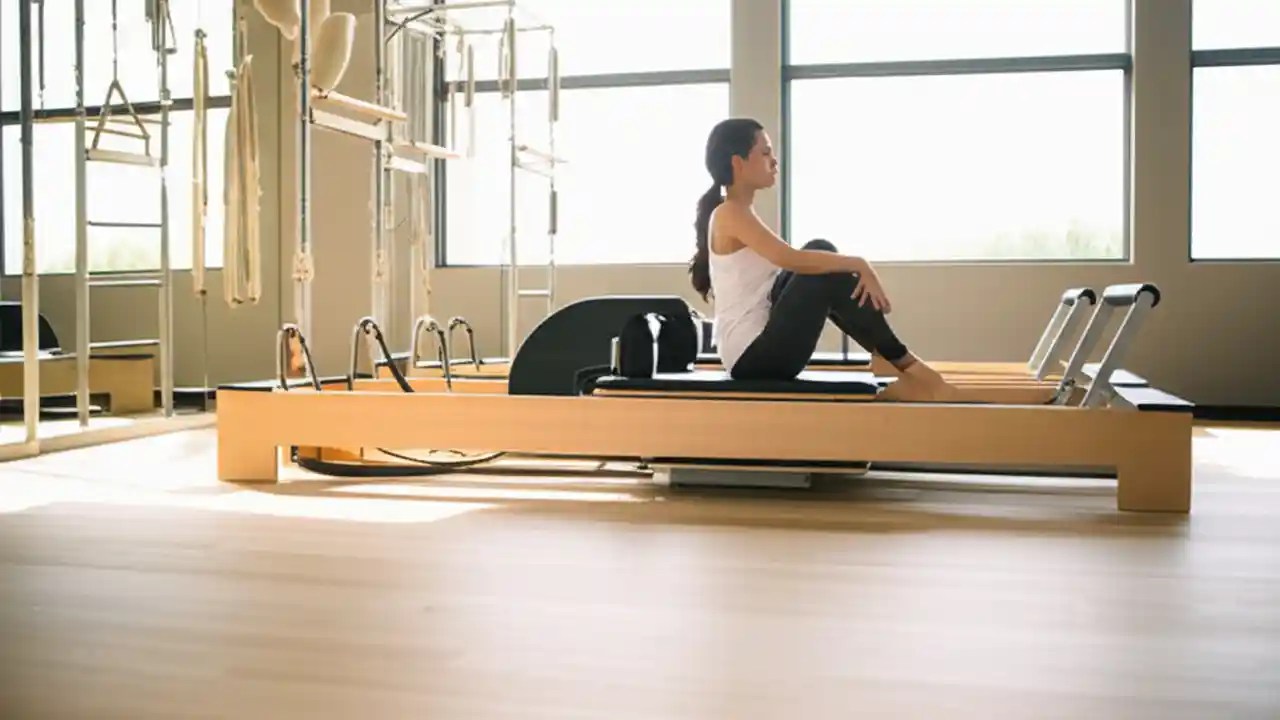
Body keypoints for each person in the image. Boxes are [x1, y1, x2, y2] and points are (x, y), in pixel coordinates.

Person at [689, 117, 964, 402]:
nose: (774, 161)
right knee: (820, 269)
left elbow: (794, 262)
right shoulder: (730, 213)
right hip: (753, 359)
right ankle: (908, 365)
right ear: (738, 163)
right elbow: (790, 259)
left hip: (756, 349)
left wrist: (846, 264)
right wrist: (859, 263)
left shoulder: (736, 212)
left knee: (821, 250)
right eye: (765, 153)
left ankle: (889, 356)